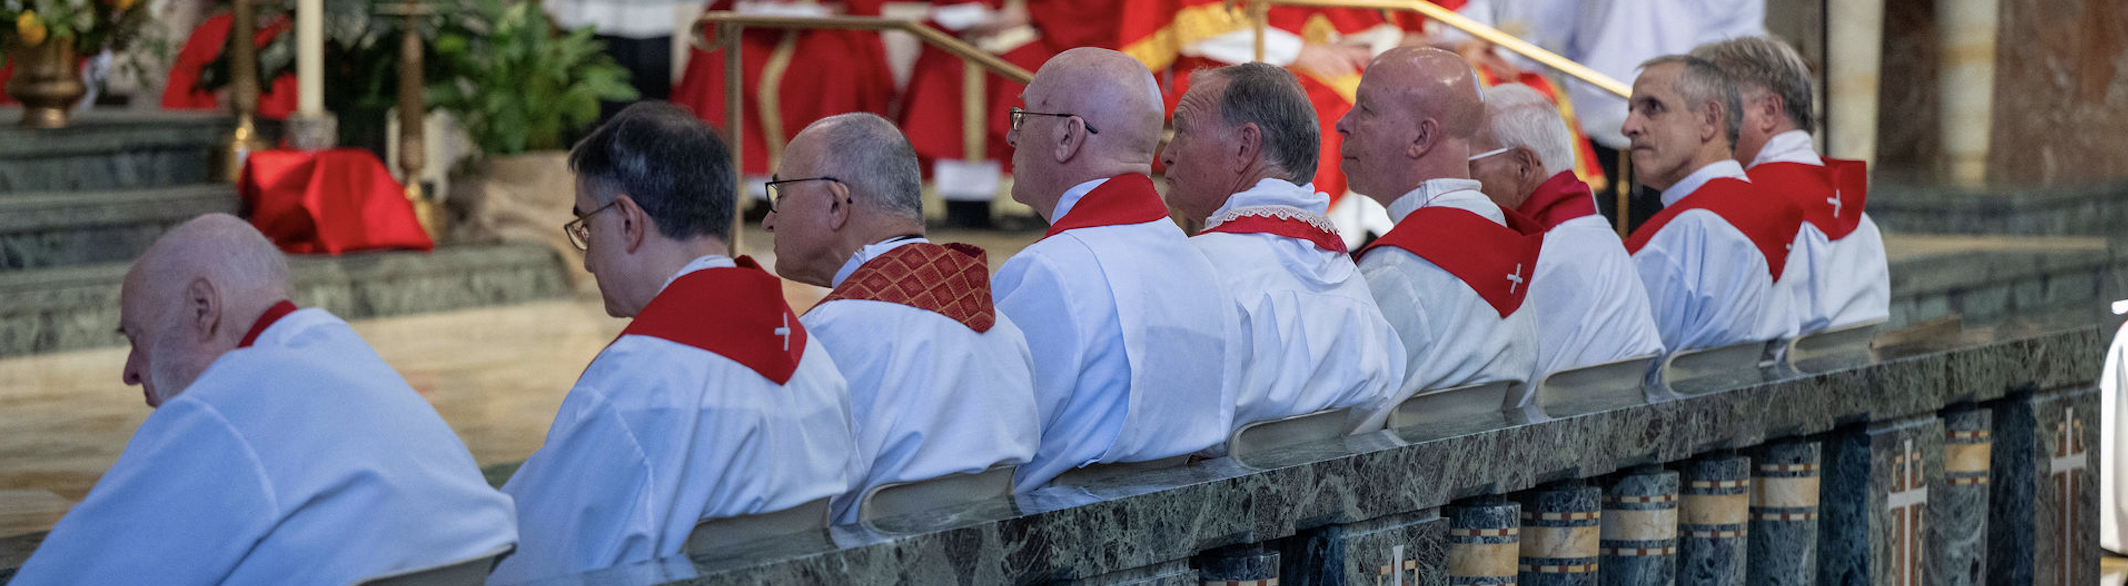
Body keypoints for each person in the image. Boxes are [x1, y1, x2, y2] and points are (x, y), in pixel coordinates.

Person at [10, 214, 517, 586]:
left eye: (136, 338)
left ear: (203, 308)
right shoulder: (356, 364)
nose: (130, 371)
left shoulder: (227, 400)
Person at [490, 102, 855, 583]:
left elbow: (529, 558)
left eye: (586, 228)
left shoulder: (634, 381)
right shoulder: (814, 359)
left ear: (626, 220)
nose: (587, 262)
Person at [764, 113, 1040, 523]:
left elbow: (785, 506)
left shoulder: (831, 336)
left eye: (780, 195)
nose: (769, 219)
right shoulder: (1003, 326)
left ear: (836, 203)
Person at [993, 47, 1234, 489]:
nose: (1011, 136)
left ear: (1069, 136)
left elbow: (987, 446)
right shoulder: (1205, 266)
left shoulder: (1049, 272)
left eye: (1024, 117)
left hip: (1048, 542)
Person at [1158, 61, 1403, 437]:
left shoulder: (1195, 271)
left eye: (1183, 132)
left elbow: (1154, 431)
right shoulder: (1349, 277)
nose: (1167, 155)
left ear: (1244, 146)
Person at [1337, 47, 1542, 428]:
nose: (1343, 124)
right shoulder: (1506, 238)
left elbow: (1340, 430)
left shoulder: (1397, 270)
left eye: (1365, 110)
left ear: (1420, 136)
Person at [1690, 36, 1890, 334]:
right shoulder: (1861, 221)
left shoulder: (1731, 217)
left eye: (1714, 109)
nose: (1703, 125)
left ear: (1769, 111)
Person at [1469, 83, 1663, 382]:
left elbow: (1493, 382)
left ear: (1523, 166)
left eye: (1472, 166)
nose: (1465, 182)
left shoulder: (1544, 255)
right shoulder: (1592, 234)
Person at [1620, 55, 1805, 354]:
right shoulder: (1762, 204)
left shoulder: (1685, 230)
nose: (1628, 126)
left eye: (1652, 108)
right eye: (1630, 110)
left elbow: (1622, 358)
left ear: (1709, 119)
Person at [898, 0, 1124, 227]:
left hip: (1023, 36)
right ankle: (952, 199)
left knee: (1025, 68)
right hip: (959, 37)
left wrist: (1024, 14)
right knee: (940, 71)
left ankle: (1015, 202)